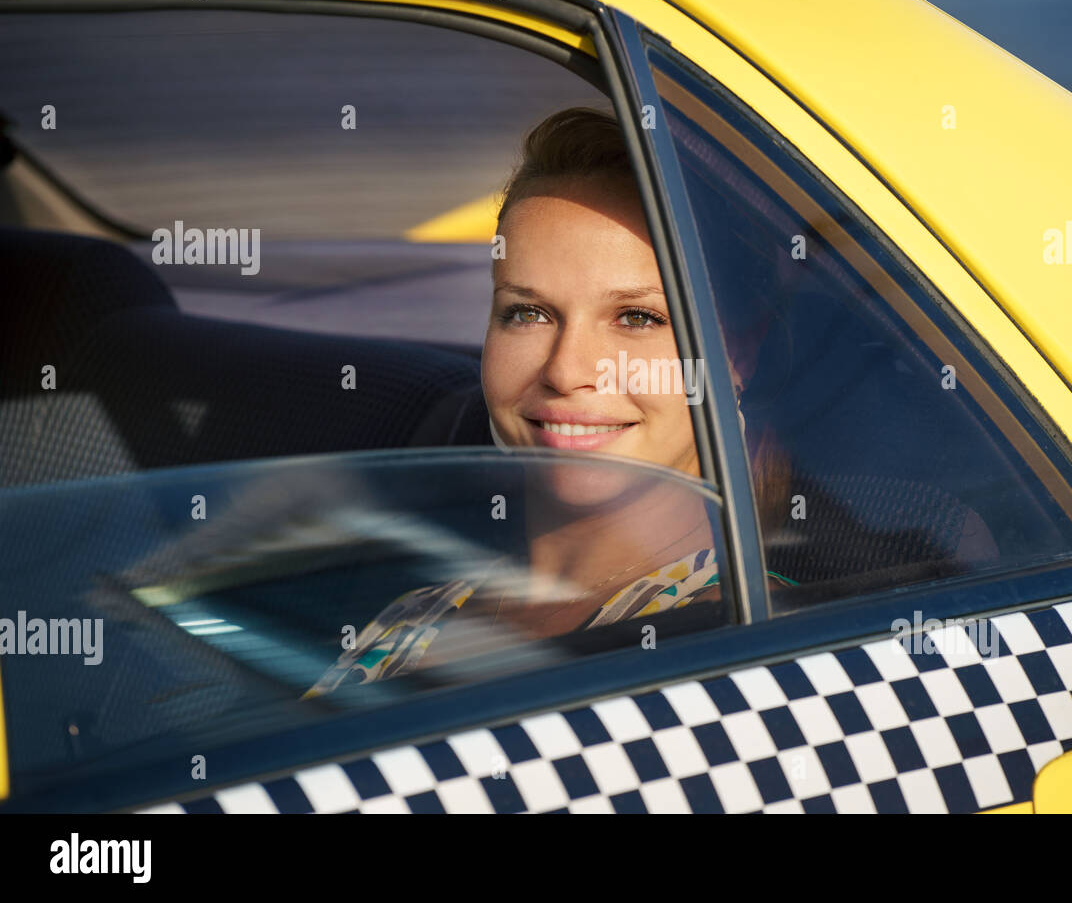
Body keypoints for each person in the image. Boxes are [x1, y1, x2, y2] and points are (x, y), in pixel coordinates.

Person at [305, 107, 751, 696]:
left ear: (735, 360)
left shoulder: (738, 641)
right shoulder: (417, 612)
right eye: (527, 313)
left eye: (637, 317)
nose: (565, 370)